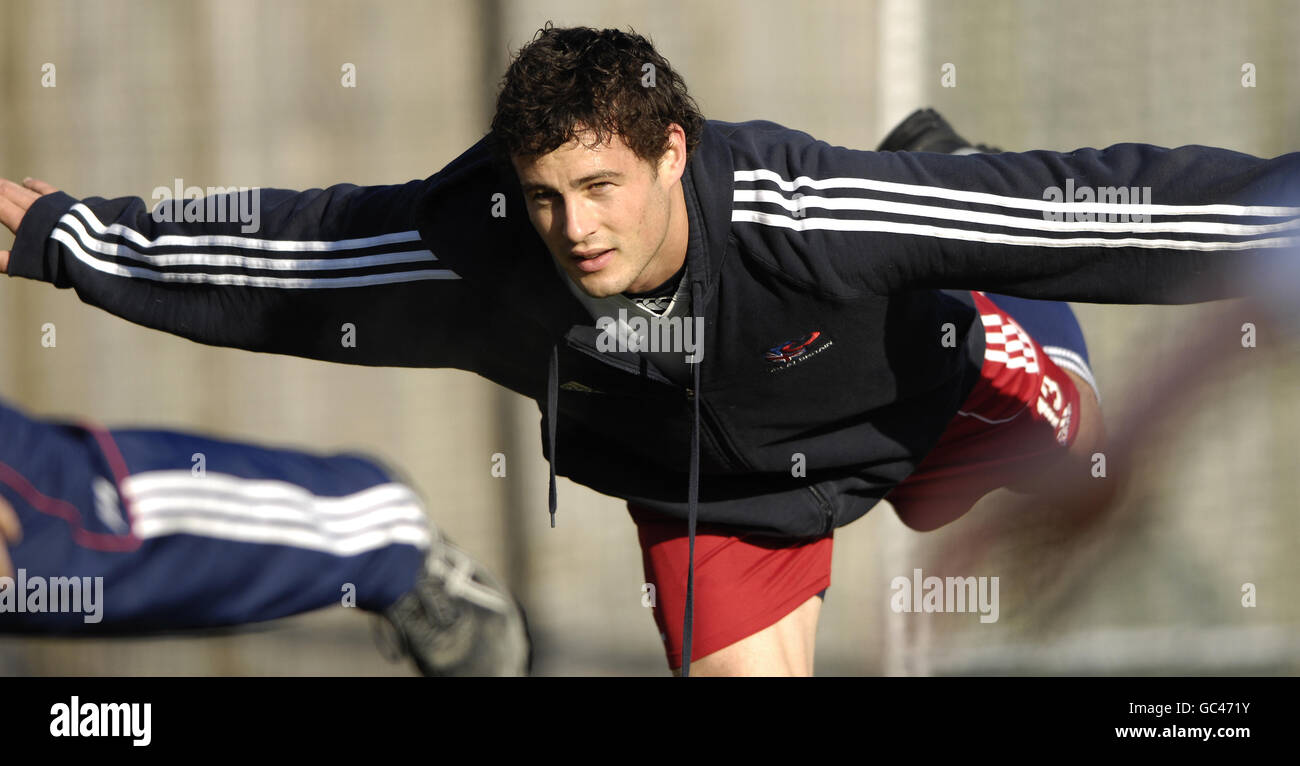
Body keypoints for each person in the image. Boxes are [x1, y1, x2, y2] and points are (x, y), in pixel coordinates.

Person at [2, 23, 1296, 676]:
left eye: (604, 185)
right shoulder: (496, 246)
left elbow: (1073, 203)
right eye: (549, 194)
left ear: (673, 148)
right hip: (720, 489)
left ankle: (940, 184)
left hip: (922, 391)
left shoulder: (803, 214)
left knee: (1061, 455)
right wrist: (73, 241)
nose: (579, 228)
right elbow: (294, 255)